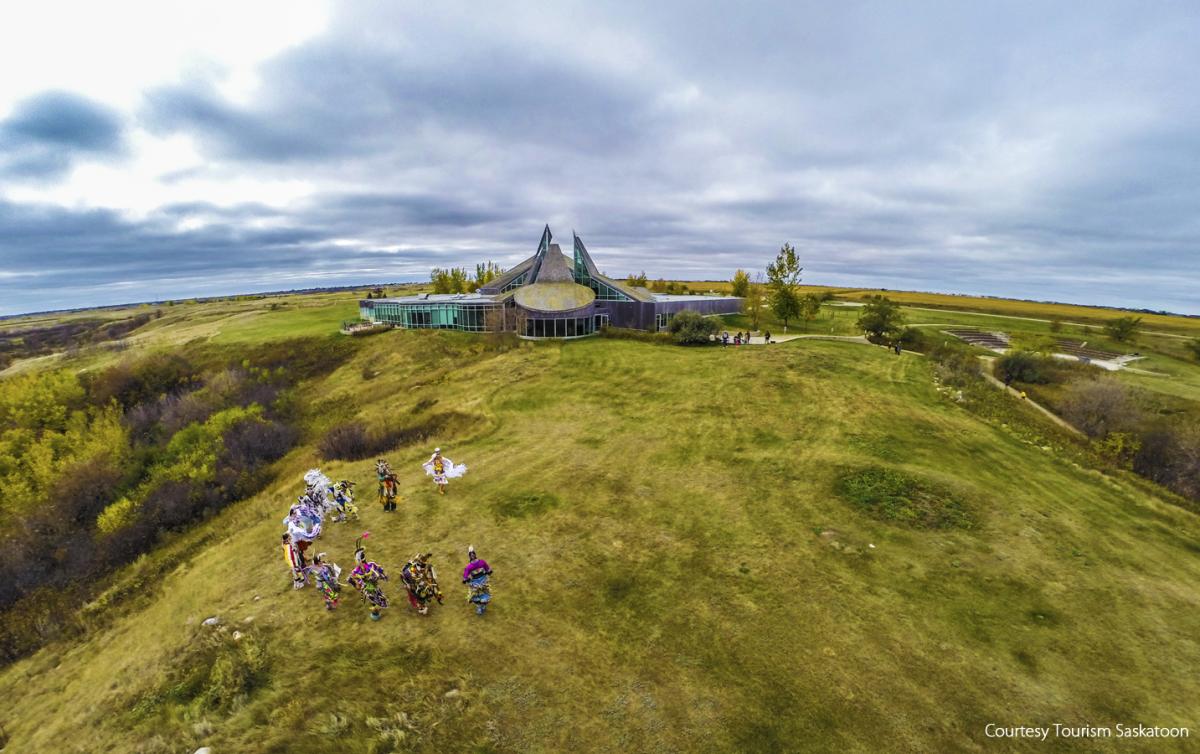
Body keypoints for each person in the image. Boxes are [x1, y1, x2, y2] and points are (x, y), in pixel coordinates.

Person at [348, 534, 389, 620]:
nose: (360, 564)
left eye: (361, 562)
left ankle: (376, 608)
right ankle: (375, 612)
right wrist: (356, 582)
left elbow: (379, 570)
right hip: (367, 588)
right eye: (359, 562)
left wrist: (383, 576)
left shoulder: (371, 565)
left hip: (375, 586)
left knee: (380, 598)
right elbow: (355, 581)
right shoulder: (356, 571)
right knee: (373, 599)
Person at [462, 545, 493, 616]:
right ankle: (479, 607)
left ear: (475, 554)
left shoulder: (482, 562)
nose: (472, 556)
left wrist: (489, 571)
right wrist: (465, 579)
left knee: (486, 594)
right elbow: (465, 574)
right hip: (475, 583)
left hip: (483, 581)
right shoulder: (469, 567)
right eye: (471, 555)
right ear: (469, 557)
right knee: (474, 595)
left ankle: (483, 605)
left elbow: (487, 568)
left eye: (473, 554)